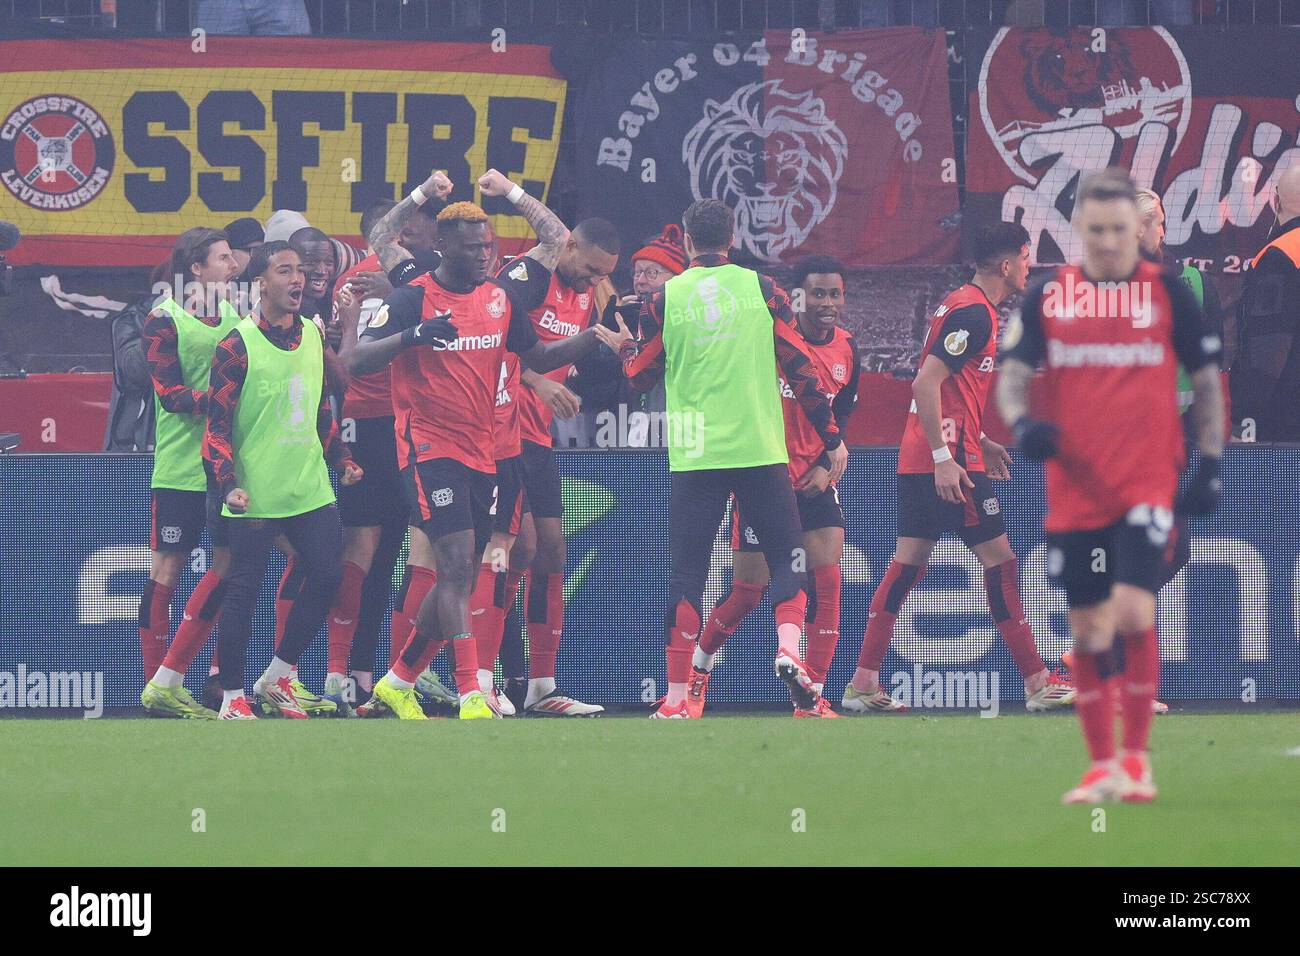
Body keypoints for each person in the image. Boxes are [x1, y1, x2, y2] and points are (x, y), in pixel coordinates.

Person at [997, 168, 1224, 803]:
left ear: (1139, 230)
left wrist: (1208, 462)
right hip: (1073, 488)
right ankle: (1101, 766)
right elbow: (1011, 376)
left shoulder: (1170, 293)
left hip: (1147, 479)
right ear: (1077, 230)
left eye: (1118, 229)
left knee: (1132, 611)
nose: (1107, 241)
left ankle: (1136, 759)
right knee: (1090, 631)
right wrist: (1022, 425)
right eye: (1094, 230)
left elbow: (1206, 380)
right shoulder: (1048, 295)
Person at [348, 171, 604, 720]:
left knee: (467, 569)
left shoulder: (502, 296)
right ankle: (472, 690)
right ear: (441, 246)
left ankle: (398, 679)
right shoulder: (413, 287)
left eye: (488, 246)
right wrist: (421, 196)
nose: (484, 255)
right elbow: (356, 360)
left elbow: (539, 343)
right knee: (458, 566)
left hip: (488, 451)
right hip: (427, 448)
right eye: (472, 248)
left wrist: (596, 339)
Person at [597, 199, 848, 719]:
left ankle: (674, 699)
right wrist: (832, 438)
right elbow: (800, 367)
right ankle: (788, 649)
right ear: (732, 238)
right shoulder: (763, 290)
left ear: (687, 242)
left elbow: (641, 376)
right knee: (787, 559)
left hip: (696, 455)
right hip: (760, 449)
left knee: (688, 574)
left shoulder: (665, 298)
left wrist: (625, 348)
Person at [841, 223, 1076, 715]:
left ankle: (862, 684)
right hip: (948, 463)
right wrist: (947, 457)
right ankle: (1036, 681)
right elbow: (925, 383)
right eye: (1027, 258)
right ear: (1008, 264)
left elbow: (948, 390)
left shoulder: (963, 303)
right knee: (1001, 563)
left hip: (932, 455)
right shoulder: (974, 312)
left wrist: (981, 438)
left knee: (906, 567)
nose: (1029, 268)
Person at [686, 255, 860, 718]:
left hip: (817, 482)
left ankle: (812, 696)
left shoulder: (847, 347)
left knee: (828, 584)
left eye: (834, 293)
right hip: (764, 481)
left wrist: (826, 464)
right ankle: (698, 673)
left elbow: (840, 415)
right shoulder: (769, 342)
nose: (827, 303)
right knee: (747, 591)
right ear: (796, 297)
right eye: (817, 294)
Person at [204, 241, 361, 719]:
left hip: (309, 488)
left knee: (330, 574)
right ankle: (232, 696)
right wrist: (228, 482)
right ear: (261, 283)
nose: (298, 280)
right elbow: (216, 426)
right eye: (286, 270)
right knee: (244, 589)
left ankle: (278, 675)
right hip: (256, 493)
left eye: (301, 271)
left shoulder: (313, 336)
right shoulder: (236, 344)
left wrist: (342, 459)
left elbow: (318, 411)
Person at [321, 186, 451, 713]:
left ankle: (381, 673)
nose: (433, 242)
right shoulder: (378, 279)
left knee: (396, 554)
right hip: (375, 422)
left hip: (404, 422)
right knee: (368, 550)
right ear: (400, 234)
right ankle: (347, 673)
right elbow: (351, 360)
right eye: (424, 233)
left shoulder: (416, 276)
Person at [509, 212, 619, 716]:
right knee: (509, 551)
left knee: (550, 551)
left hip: (538, 435)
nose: (594, 280)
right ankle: (481, 678)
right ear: (569, 246)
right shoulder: (530, 277)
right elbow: (494, 348)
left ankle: (540, 687)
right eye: (590, 269)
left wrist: (611, 349)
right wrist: (539, 382)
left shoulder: (585, 295)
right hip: (498, 431)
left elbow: (567, 357)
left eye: (602, 275)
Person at [137, 228, 241, 718]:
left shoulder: (240, 319)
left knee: (230, 570)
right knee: (168, 571)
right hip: (180, 469)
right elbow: (169, 394)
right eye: (223, 258)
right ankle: (157, 685)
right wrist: (222, 401)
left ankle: (219, 682)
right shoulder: (164, 319)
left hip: (227, 469)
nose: (233, 265)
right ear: (196, 269)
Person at [1230, 164, 1300, 442]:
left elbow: (1267, 347)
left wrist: (1244, 420)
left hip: (1284, 423)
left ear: (1275, 200)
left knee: (1273, 487)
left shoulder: (1280, 256)